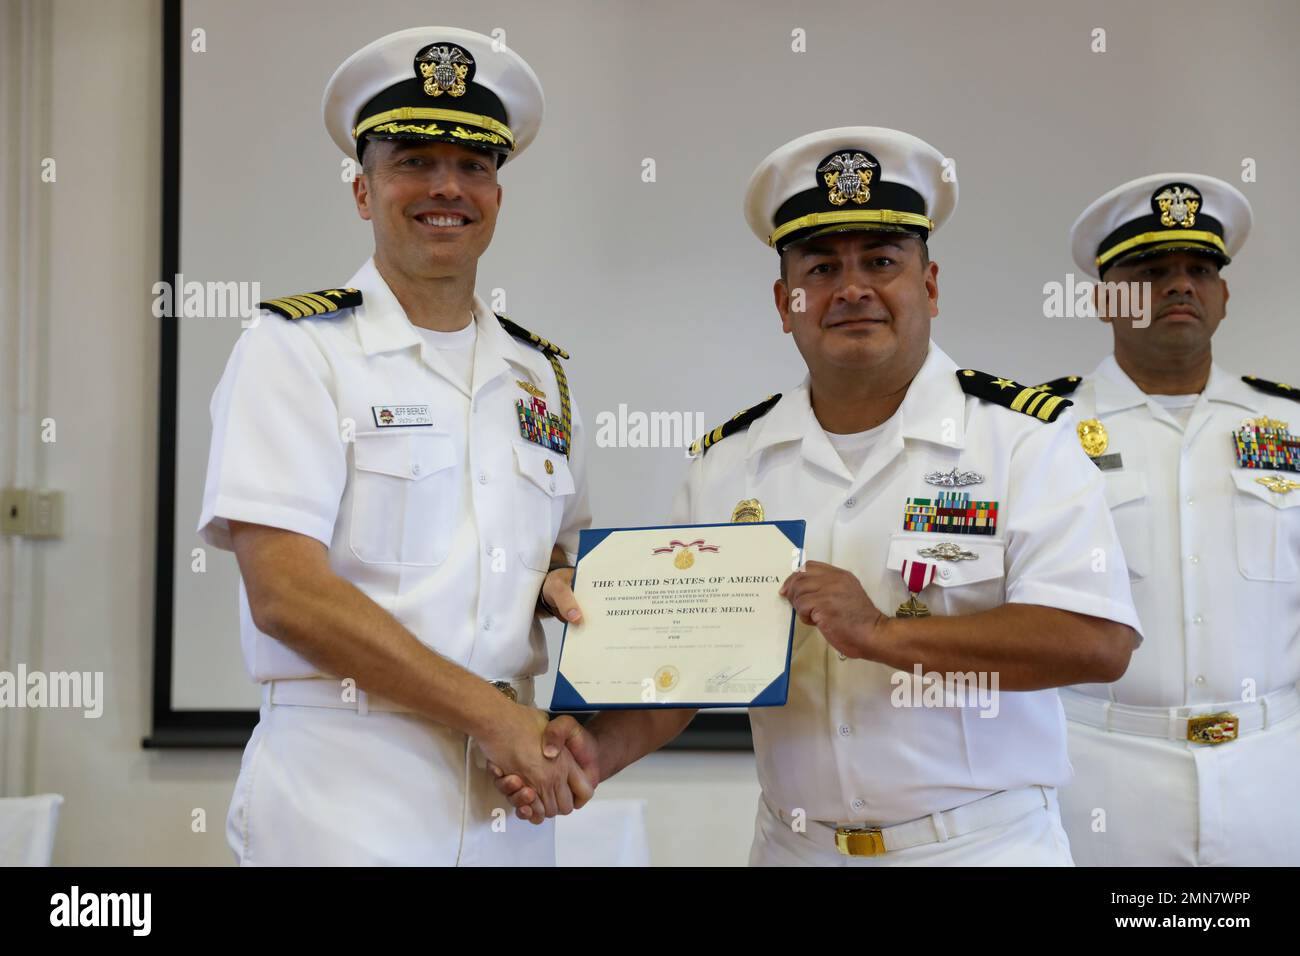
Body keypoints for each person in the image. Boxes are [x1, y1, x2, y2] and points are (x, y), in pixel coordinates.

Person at [497, 127, 1143, 866]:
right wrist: (590, 754)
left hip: (978, 846)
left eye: (881, 261)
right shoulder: (729, 465)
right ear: (786, 301)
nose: (853, 288)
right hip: (794, 847)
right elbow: (680, 668)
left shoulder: (1024, 440)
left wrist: (882, 634)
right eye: (822, 267)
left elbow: (1097, 641)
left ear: (929, 286)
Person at [196, 26, 593, 866]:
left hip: (511, 799)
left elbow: (549, 548)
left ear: (496, 193)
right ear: (362, 189)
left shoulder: (540, 374)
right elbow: (289, 598)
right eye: (413, 159)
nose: (446, 187)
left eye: (473, 166)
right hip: (346, 792)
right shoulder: (295, 350)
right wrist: (493, 718)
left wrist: (557, 579)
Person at [1042, 173, 1300, 865]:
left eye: (1199, 269)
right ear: (1103, 298)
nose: (1180, 285)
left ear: (1223, 294)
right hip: (1098, 768)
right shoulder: (1039, 432)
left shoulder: (1290, 424)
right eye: (1152, 270)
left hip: (1275, 772)